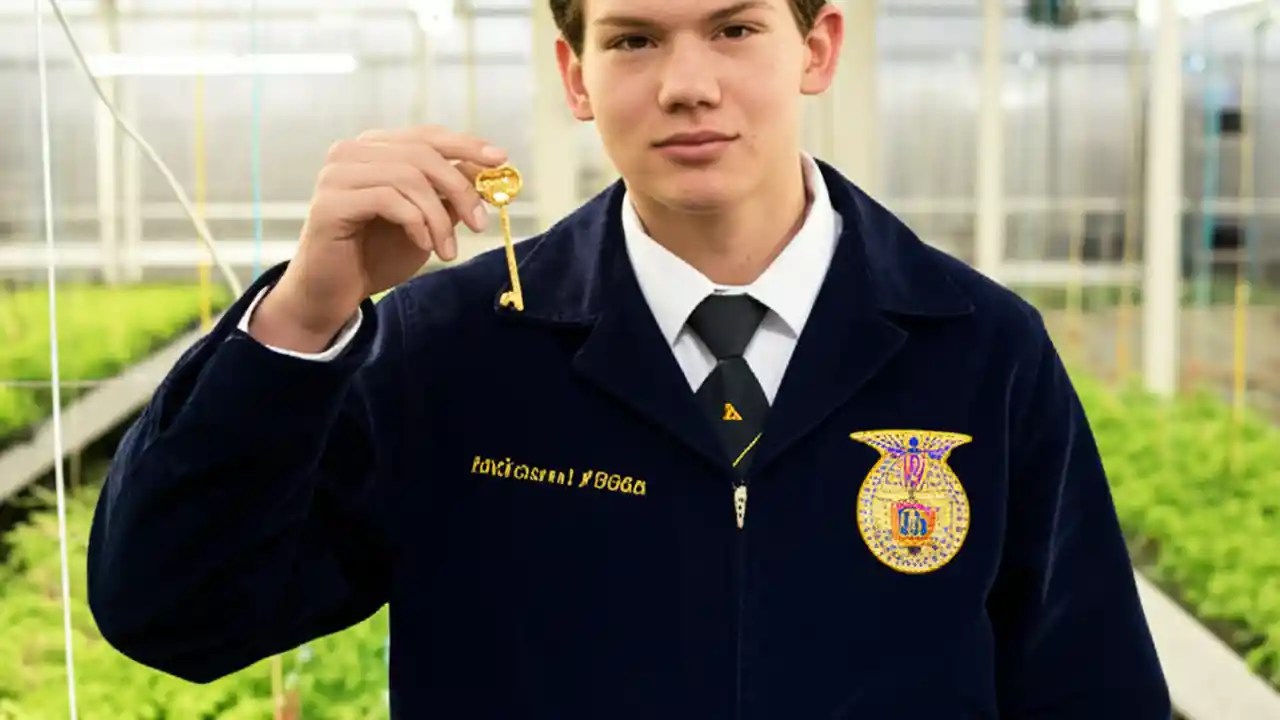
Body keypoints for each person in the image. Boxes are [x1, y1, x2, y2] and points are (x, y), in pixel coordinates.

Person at [86, 0, 1172, 717]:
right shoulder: (449, 355)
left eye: (735, 27)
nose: (685, 84)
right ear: (574, 71)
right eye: (633, 38)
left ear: (817, 47)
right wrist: (303, 313)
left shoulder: (977, 350)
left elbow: (1086, 686)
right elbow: (176, 612)